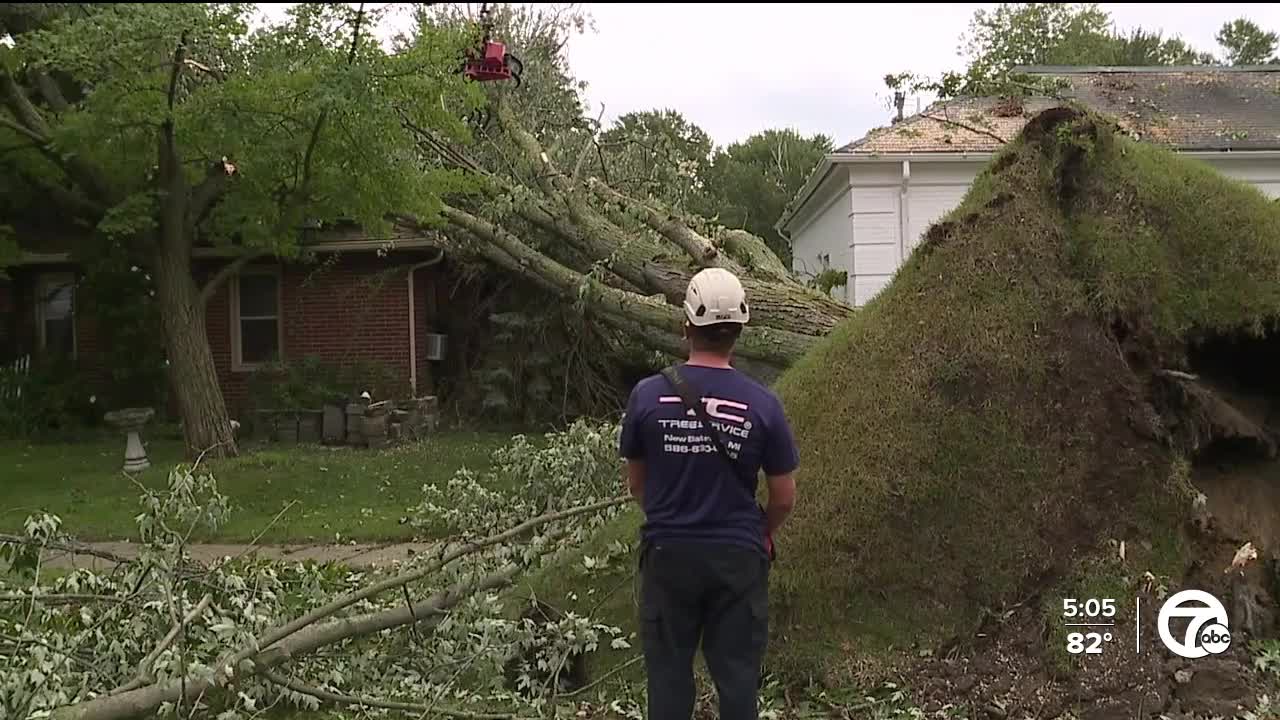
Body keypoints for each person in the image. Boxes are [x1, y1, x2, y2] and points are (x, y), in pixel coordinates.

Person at [617, 267, 799, 720]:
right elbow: (783, 496)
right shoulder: (763, 404)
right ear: (738, 332)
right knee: (738, 681)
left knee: (668, 679)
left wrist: (670, 516)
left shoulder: (646, 396)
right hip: (738, 559)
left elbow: (637, 483)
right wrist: (763, 531)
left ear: (686, 328)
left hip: (668, 557)